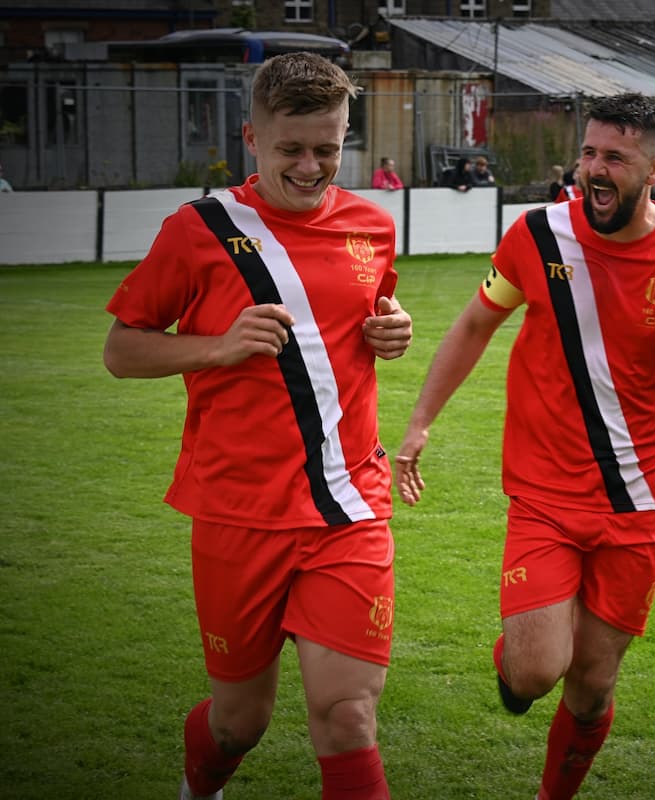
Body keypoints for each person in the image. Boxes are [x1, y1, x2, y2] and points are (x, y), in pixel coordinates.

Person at [392, 92, 655, 800]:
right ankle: (519, 660)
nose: (593, 167)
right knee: (533, 672)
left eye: (614, 157)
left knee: (590, 687)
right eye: (588, 152)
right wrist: (420, 421)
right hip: (545, 494)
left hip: (640, 502)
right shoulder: (537, 237)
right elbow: (473, 325)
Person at [101, 52, 414, 800]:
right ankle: (199, 785)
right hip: (237, 514)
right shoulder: (200, 230)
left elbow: (368, 315)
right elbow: (121, 349)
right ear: (251, 137)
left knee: (346, 716)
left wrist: (393, 327)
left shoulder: (372, 226)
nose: (311, 167)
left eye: (329, 149)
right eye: (292, 150)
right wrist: (218, 345)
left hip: (348, 507)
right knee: (240, 722)